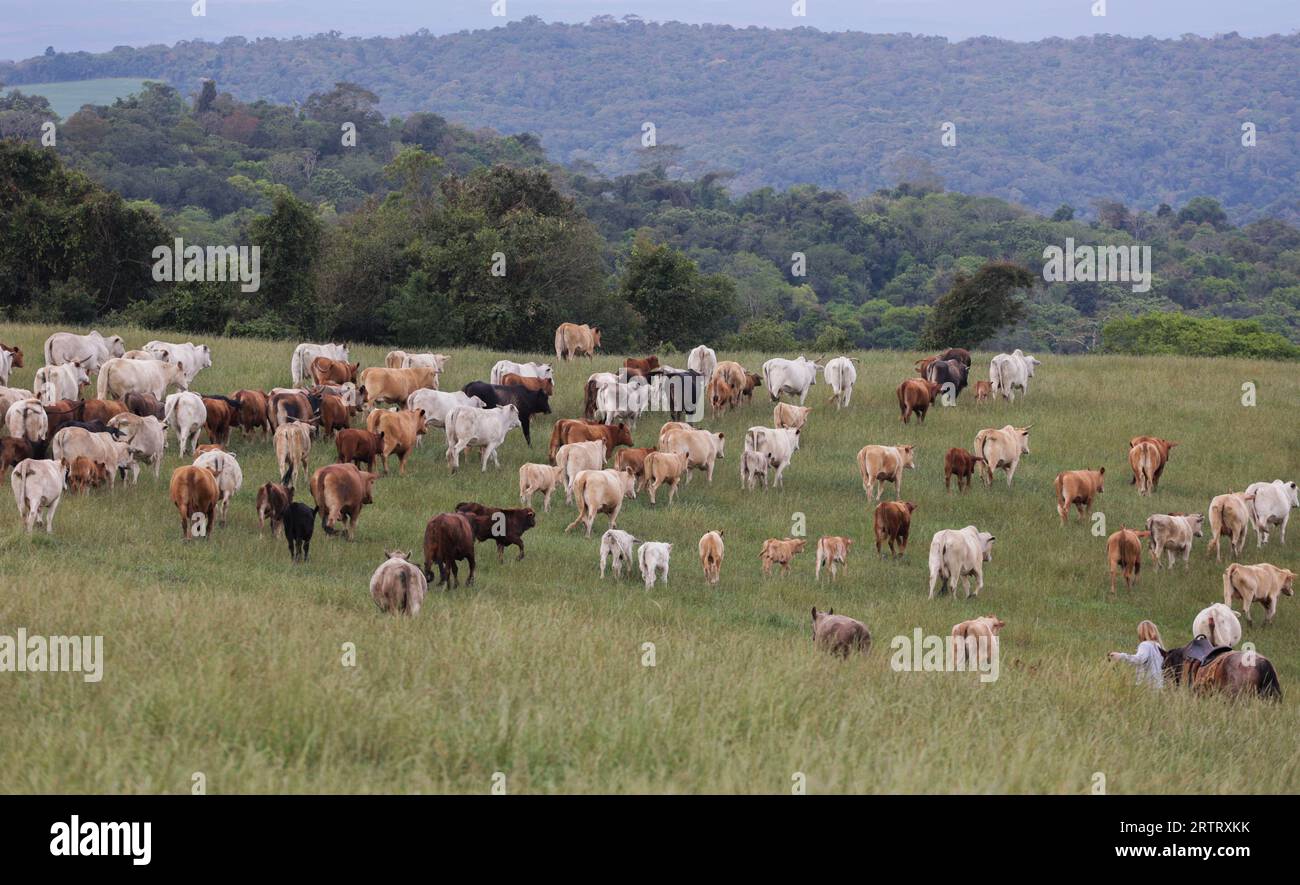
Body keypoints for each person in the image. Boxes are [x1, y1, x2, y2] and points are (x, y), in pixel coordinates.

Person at [1108, 620, 1165, 688]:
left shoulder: (1145, 645)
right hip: (1159, 684)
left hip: (1147, 685)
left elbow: (1139, 659)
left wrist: (1121, 656)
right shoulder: (1158, 646)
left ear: (1141, 632)